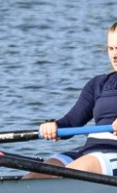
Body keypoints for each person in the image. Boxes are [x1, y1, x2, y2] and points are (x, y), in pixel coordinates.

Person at [36, 21, 117, 177]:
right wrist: (53, 126)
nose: (114, 56)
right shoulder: (97, 84)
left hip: (113, 153)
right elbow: (71, 122)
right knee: (41, 171)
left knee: (73, 170)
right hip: (89, 152)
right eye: (111, 49)